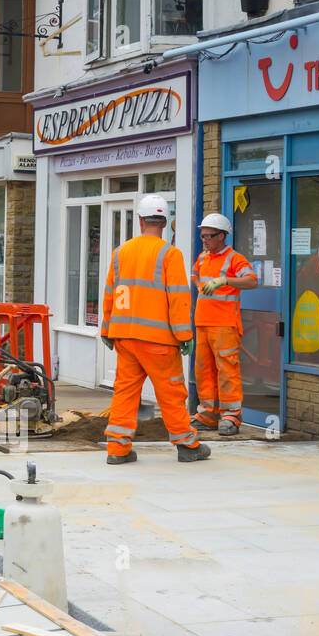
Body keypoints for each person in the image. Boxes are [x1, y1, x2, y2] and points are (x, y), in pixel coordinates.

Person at [99, 194, 209, 465]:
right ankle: (187, 445)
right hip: (158, 340)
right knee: (171, 393)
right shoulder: (169, 254)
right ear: (165, 222)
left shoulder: (120, 252)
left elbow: (110, 293)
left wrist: (106, 329)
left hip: (124, 337)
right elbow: (178, 298)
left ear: (139, 221)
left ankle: (117, 448)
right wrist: (185, 335)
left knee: (125, 392)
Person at [190, 213, 258, 436]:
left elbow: (252, 280)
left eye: (209, 236)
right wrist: (200, 284)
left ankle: (231, 416)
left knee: (227, 371)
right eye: (202, 236)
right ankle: (208, 414)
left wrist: (225, 280)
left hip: (224, 325)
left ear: (222, 236)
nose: (205, 240)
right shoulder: (203, 257)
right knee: (204, 371)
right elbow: (194, 273)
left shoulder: (234, 259)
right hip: (203, 323)